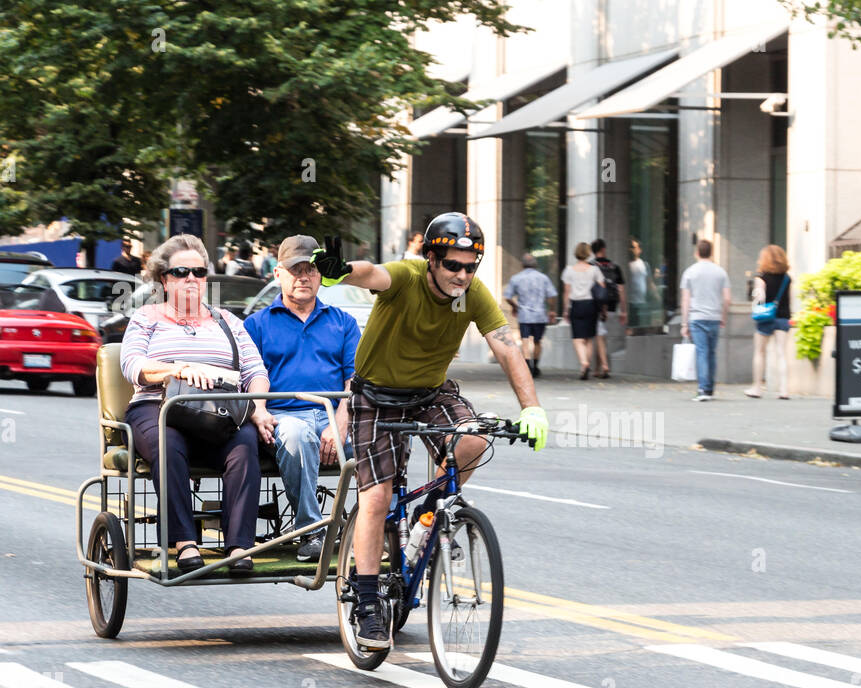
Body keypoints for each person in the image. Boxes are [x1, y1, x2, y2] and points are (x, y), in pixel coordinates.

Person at [310, 213, 548, 648]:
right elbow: (373, 275)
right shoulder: (407, 276)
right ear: (432, 259)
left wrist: (532, 409)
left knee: (475, 439)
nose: (462, 274)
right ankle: (366, 603)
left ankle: (426, 519)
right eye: (453, 265)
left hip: (430, 392)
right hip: (374, 396)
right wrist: (342, 272)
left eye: (470, 266)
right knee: (377, 497)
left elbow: (506, 344)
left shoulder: (472, 294)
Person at [120, 234, 275, 574]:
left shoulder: (227, 321)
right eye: (180, 272)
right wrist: (179, 370)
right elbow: (132, 365)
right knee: (168, 441)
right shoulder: (146, 317)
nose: (191, 279)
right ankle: (185, 541)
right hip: (158, 406)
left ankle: (239, 546)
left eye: (199, 272)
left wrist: (260, 408)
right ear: (164, 278)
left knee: (246, 442)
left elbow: (255, 371)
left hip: (218, 412)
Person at [243, 235, 360, 561]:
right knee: (297, 435)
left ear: (321, 275)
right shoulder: (256, 325)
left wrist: (341, 419)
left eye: (310, 269)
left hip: (334, 414)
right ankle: (312, 533)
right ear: (278, 273)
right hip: (283, 417)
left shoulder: (344, 323)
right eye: (296, 270)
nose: (303, 277)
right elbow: (247, 377)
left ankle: (374, 528)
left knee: (380, 440)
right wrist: (259, 410)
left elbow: (355, 379)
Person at [679, 239, 730, 401]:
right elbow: (727, 298)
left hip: (697, 317)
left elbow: (685, 300)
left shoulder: (690, 272)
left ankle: (702, 389)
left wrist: (684, 323)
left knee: (702, 352)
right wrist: (723, 316)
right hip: (714, 317)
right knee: (711, 353)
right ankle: (709, 389)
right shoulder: (721, 272)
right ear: (711, 252)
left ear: (697, 253)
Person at [745, 244, 793, 400]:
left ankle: (757, 388)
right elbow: (788, 299)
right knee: (781, 353)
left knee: (760, 352)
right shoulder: (787, 278)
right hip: (783, 317)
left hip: (766, 318)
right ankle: (784, 390)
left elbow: (759, 298)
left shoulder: (761, 277)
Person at [503, 253, 558, 377]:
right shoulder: (543, 278)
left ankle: (527, 365)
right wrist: (552, 310)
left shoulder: (516, 278)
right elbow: (552, 295)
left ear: (522, 264)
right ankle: (536, 366)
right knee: (538, 341)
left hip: (524, 315)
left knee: (525, 340)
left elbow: (507, 296)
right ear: (535, 264)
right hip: (540, 315)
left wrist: (515, 306)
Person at [560, 242, 606, 380]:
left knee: (577, 338)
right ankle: (587, 362)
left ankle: (583, 363)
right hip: (591, 305)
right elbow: (602, 288)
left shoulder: (569, 270)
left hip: (576, 305)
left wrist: (565, 310)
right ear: (588, 253)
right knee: (589, 338)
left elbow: (566, 292)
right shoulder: (594, 270)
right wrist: (602, 308)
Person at [590, 239, 625, 378]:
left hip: (596, 304)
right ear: (604, 249)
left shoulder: (590, 266)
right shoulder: (614, 266)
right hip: (611, 305)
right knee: (601, 335)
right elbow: (621, 289)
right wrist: (624, 310)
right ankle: (598, 368)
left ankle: (604, 366)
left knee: (599, 335)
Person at [626, 236, 656, 328]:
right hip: (630, 304)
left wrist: (656, 296)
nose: (635, 249)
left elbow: (649, 282)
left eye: (636, 247)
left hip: (642, 303)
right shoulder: (625, 264)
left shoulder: (644, 264)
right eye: (633, 247)